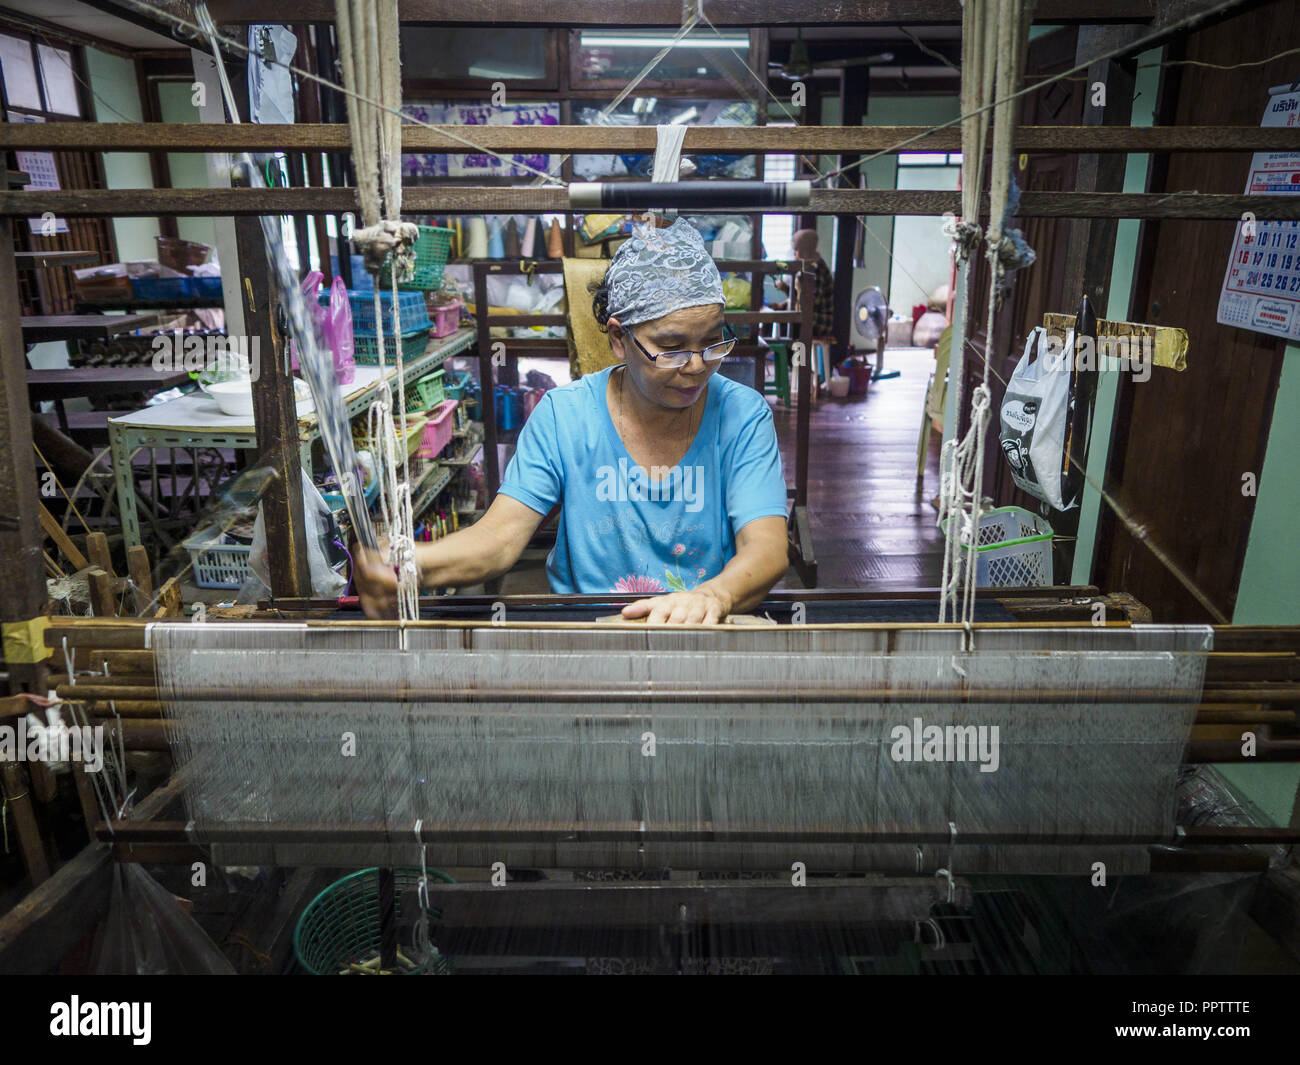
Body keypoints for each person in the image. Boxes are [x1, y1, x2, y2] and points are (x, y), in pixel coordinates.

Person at [354, 217, 790, 624]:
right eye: (671, 347)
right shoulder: (565, 416)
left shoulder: (742, 414)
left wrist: (714, 596)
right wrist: (409, 565)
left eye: (712, 343)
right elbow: (500, 539)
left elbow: (767, 549)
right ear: (619, 338)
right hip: (593, 634)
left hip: (704, 626)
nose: (696, 366)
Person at [773, 228, 835, 340]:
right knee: (775, 318)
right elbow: (800, 295)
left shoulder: (816, 269)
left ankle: (790, 357)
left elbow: (810, 303)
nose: (796, 254)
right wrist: (782, 306)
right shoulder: (806, 266)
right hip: (810, 316)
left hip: (819, 321)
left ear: (805, 251)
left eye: (797, 250)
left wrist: (786, 290)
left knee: (783, 327)